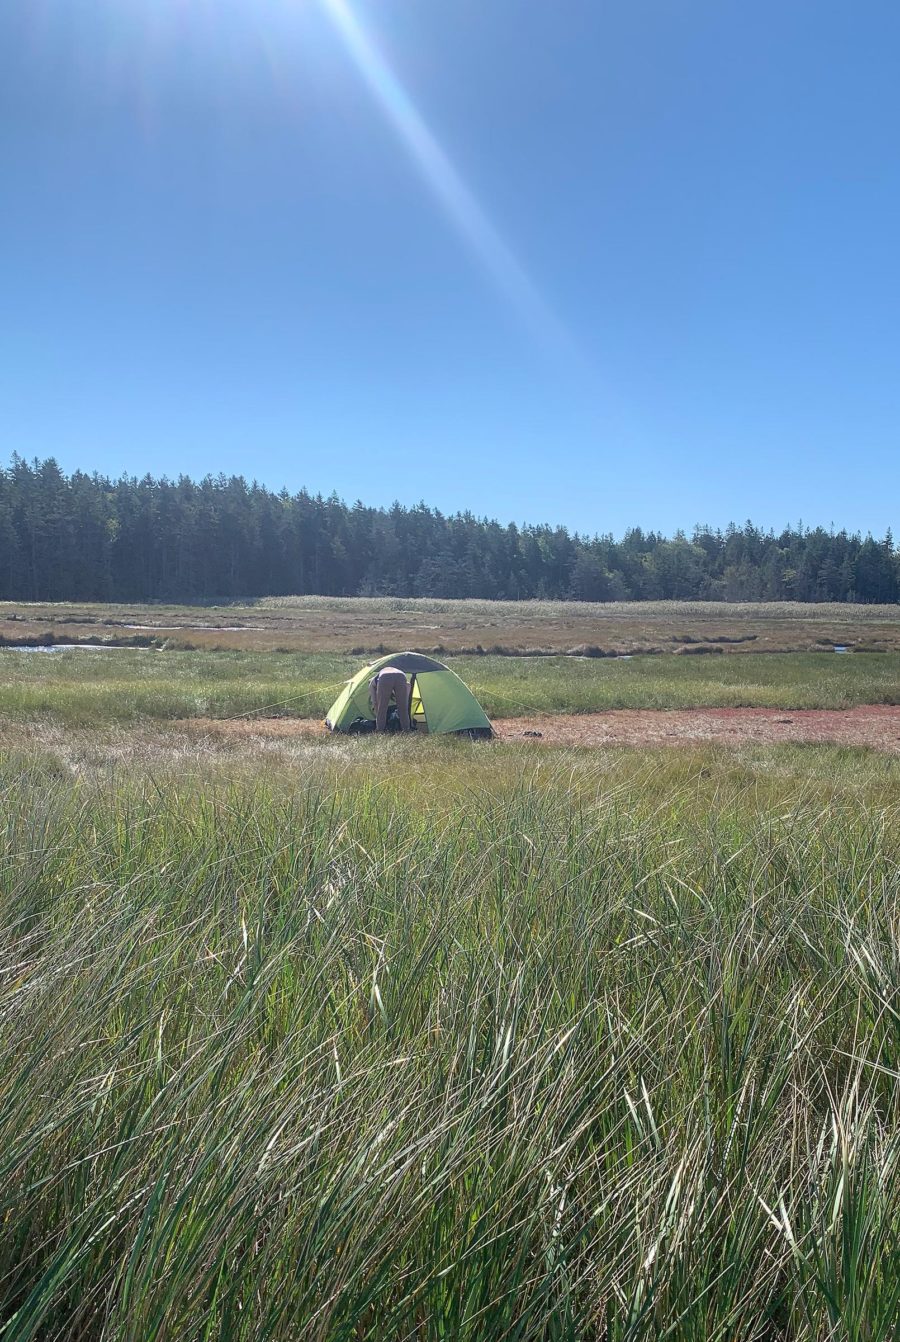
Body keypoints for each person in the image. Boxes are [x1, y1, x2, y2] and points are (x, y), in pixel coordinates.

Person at [369, 666, 412, 732]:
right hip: (401, 675)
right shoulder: (393, 672)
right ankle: (406, 730)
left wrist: (378, 716)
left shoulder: (372, 683)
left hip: (385, 677)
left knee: (382, 708)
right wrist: (405, 700)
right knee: (403, 709)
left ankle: (379, 731)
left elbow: (375, 703)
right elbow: (408, 685)